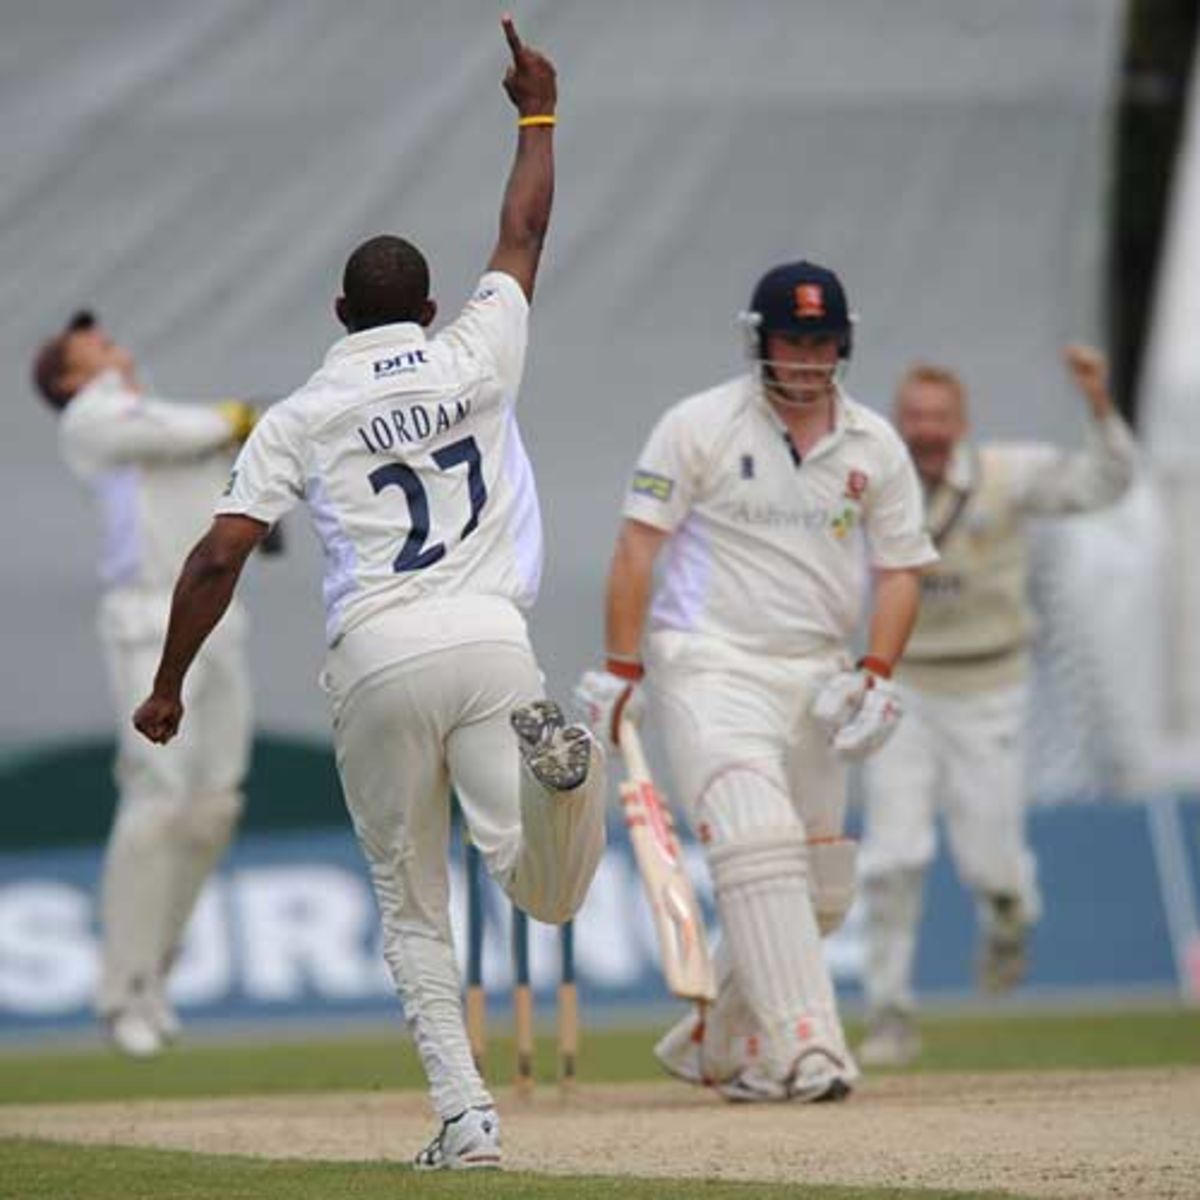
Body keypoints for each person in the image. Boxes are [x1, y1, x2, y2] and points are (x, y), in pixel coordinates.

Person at [133, 17, 605, 1172]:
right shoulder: (475, 352)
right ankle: (565, 778)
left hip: (381, 655)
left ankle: (467, 1119)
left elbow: (217, 555)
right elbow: (526, 229)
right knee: (542, 895)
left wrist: (166, 685)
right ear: (429, 302)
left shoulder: (303, 412)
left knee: (411, 907)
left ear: (339, 316)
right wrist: (537, 112)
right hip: (495, 642)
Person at [575, 261, 938, 1102]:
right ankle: (808, 1047)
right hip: (710, 660)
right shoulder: (697, 425)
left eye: (819, 343)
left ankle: (716, 1041)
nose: (805, 359)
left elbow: (902, 571)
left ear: (841, 346)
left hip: (817, 671)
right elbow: (637, 546)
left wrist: (877, 673)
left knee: (823, 885)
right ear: (760, 341)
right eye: (790, 340)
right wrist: (621, 668)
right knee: (753, 835)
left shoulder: (874, 445)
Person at [857, 349, 1137, 1067]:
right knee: (892, 859)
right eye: (914, 416)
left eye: (939, 417)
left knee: (993, 865)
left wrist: (1100, 407)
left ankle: (1010, 917)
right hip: (904, 689)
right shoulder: (868, 482)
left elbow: (1105, 484)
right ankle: (887, 1014)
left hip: (989, 690)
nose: (926, 429)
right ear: (898, 419)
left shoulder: (1005, 474)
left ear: (962, 422)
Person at [31, 310, 258, 1058]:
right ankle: (120, 991)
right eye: (87, 345)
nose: (106, 342)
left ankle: (154, 971)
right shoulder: (93, 418)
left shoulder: (152, 408)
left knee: (214, 806)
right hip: (145, 621)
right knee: (158, 799)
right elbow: (192, 429)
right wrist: (241, 420)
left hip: (217, 616)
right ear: (69, 379)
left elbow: (220, 468)